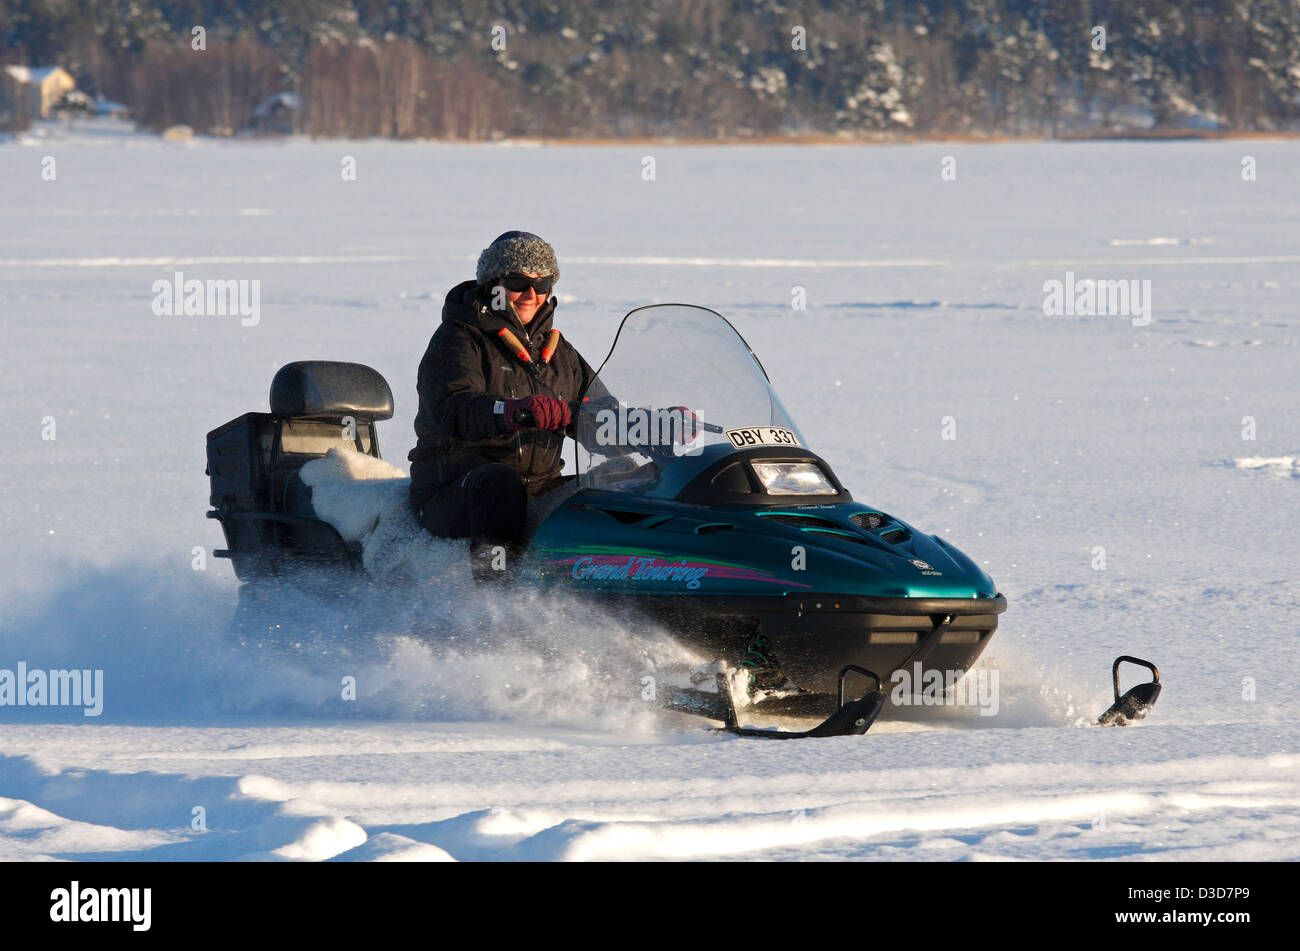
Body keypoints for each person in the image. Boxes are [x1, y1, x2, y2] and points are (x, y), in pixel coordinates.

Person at [408, 231, 597, 579]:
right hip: (453, 490)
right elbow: (453, 409)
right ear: (493, 283)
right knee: (498, 482)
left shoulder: (559, 351)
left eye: (542, 284)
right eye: (518, 281)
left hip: (539, 488)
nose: (531, 294)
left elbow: (599, 410)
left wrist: (644, 423)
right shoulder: (459, 337)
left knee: (612, 482)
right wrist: (510, 411)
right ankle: (494, 596)